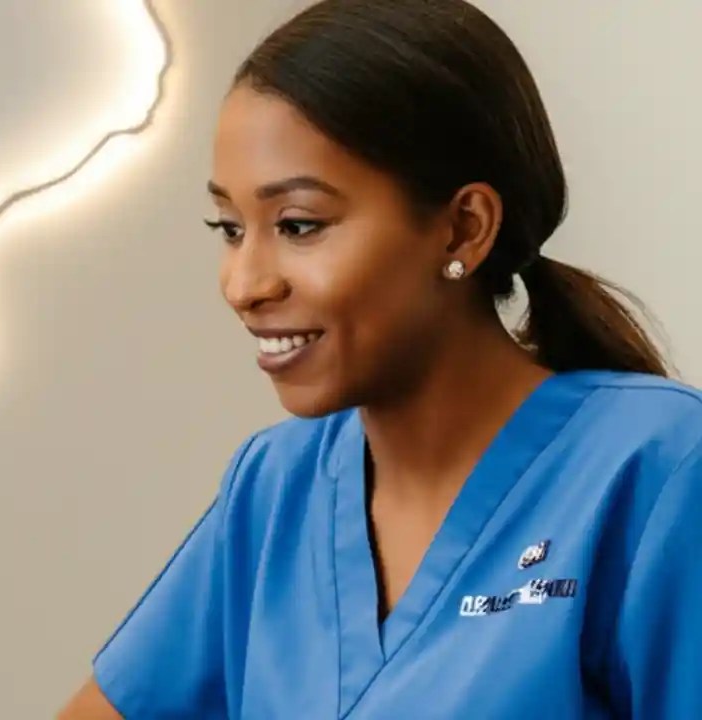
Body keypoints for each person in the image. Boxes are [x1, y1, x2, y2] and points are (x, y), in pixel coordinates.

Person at [56, 0, 701, 717]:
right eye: (230, 228)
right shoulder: (274, 490)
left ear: (463, 229)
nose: (245, 285)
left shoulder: (659, 468)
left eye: (299, 225)